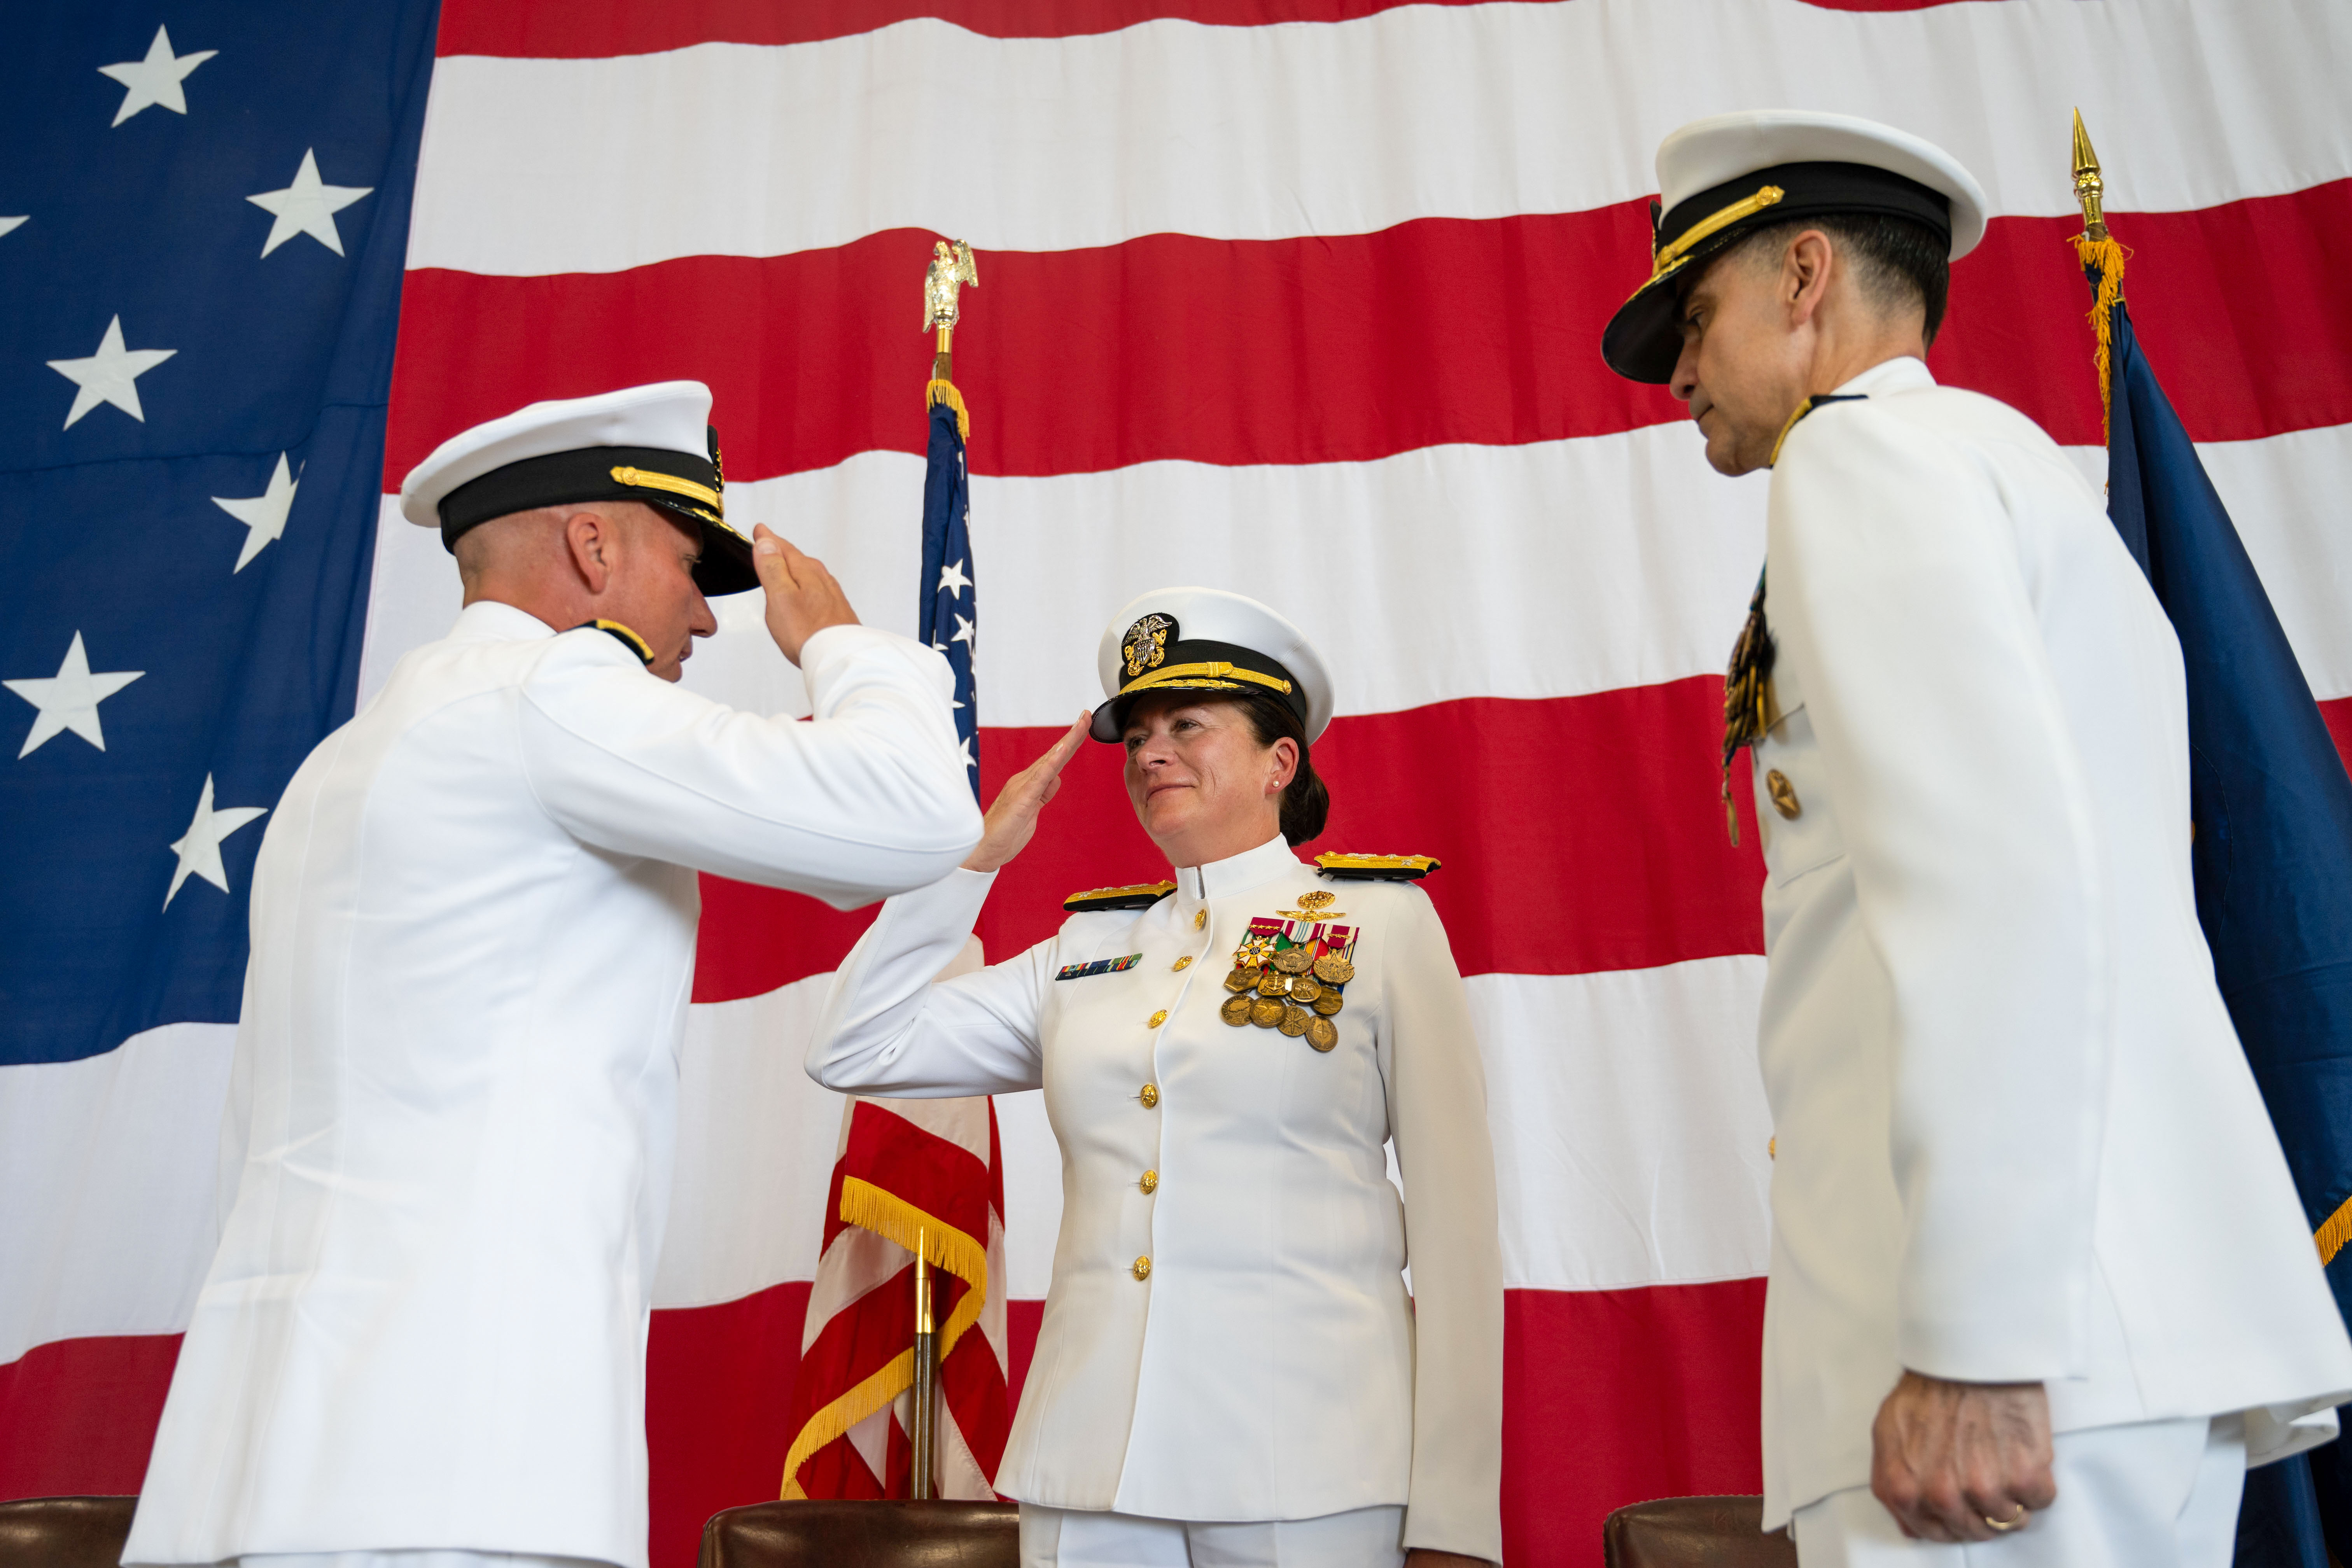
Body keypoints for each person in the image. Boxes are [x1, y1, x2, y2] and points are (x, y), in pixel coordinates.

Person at [1598, 110, 2352, 1565]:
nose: (1677, 373)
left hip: (2013, 1345)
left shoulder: (1861, 466)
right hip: (2116, 1320)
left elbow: (1988, 886)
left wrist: (1972, 1336)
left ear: (1802, 275)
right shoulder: (2006, 468)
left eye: (1694, 318)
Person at [123, 382, 983, 1568]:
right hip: (458, 1463)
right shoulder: (554, 698)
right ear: (593, 544)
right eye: (693, 565)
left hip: (263, 1462)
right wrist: (841, 643)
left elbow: (850, 856)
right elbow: (914, 813)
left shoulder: (349, 756)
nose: (710, 618)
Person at [806, 587, 1503, 1568]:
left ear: (1280, 762)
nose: (1150, 754)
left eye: (1186, 725)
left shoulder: (1381, 928)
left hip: (1310, 1465)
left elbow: (1458, 1235)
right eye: (1134, 736)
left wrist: (1457, 1519)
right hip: (1088, 1472)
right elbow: (853, 1046)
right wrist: (968, 868)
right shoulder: (1083, 951)